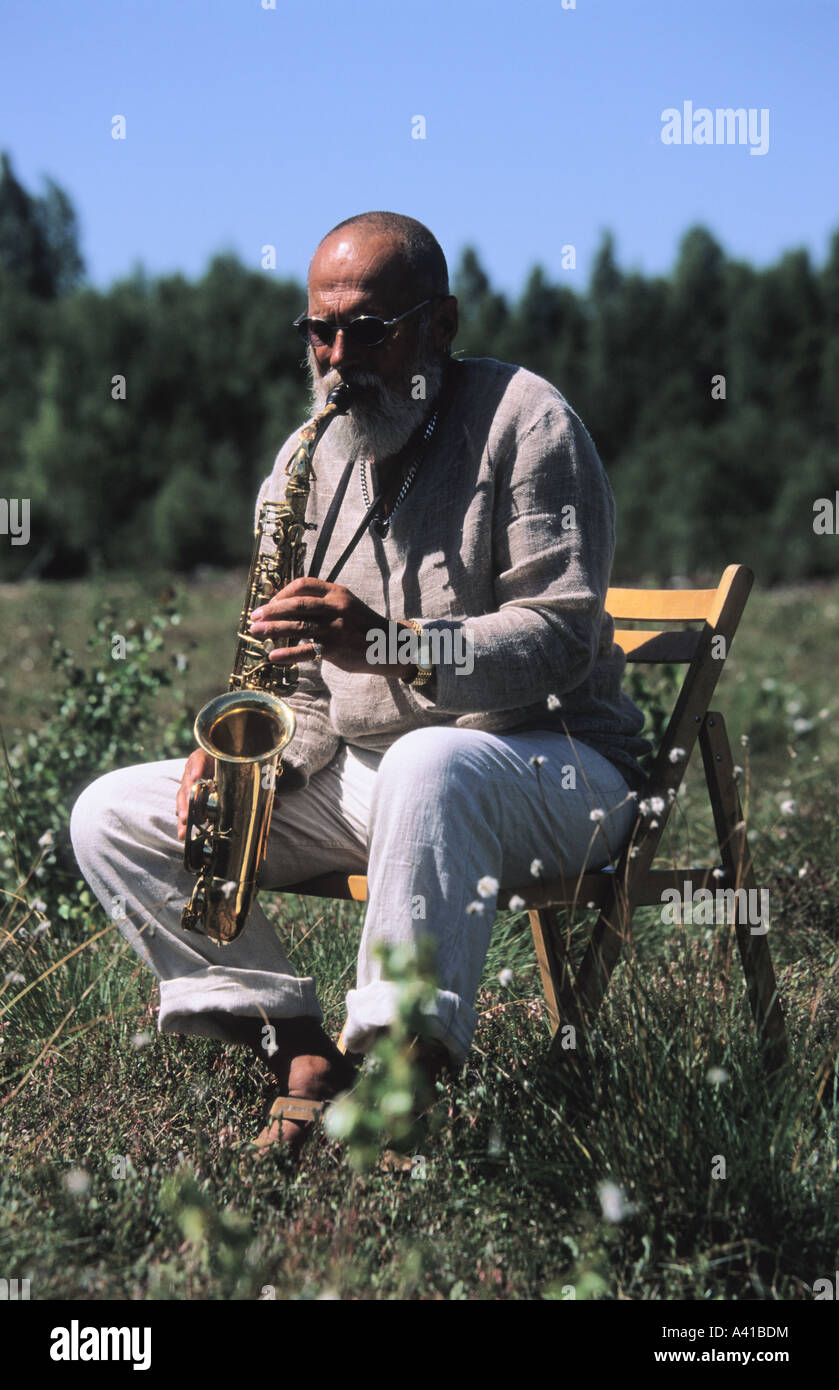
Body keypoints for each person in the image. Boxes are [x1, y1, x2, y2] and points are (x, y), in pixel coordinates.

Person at [70, 211, 649, 1158]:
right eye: (319, 331)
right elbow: (302, 698)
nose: (339, 359)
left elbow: (558, 639)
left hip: (558, 766)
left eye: (369, 330)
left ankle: (399, 1082)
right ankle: (299, 1051)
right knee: (110, 814)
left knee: (430, 760)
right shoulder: (303, 464)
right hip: (384, 781)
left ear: (440, 325)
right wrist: (251, 771)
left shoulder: (526, 422)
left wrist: (390, 644)